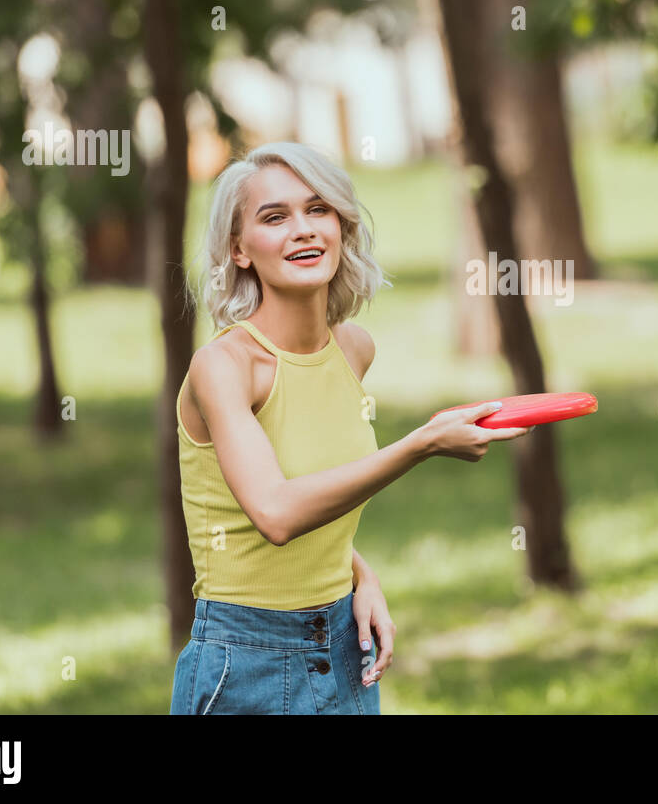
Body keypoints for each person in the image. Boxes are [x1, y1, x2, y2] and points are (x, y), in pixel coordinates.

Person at [168, 141, 531, 714]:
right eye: (274, 217)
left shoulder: (353, 350)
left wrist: (362, 576)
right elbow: (277, 514)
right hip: (247, 662)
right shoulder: (225, 368)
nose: (304, 229)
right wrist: (421, 445)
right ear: (239, 249)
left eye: (318, 210)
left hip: (344, 646)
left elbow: (316, 488)